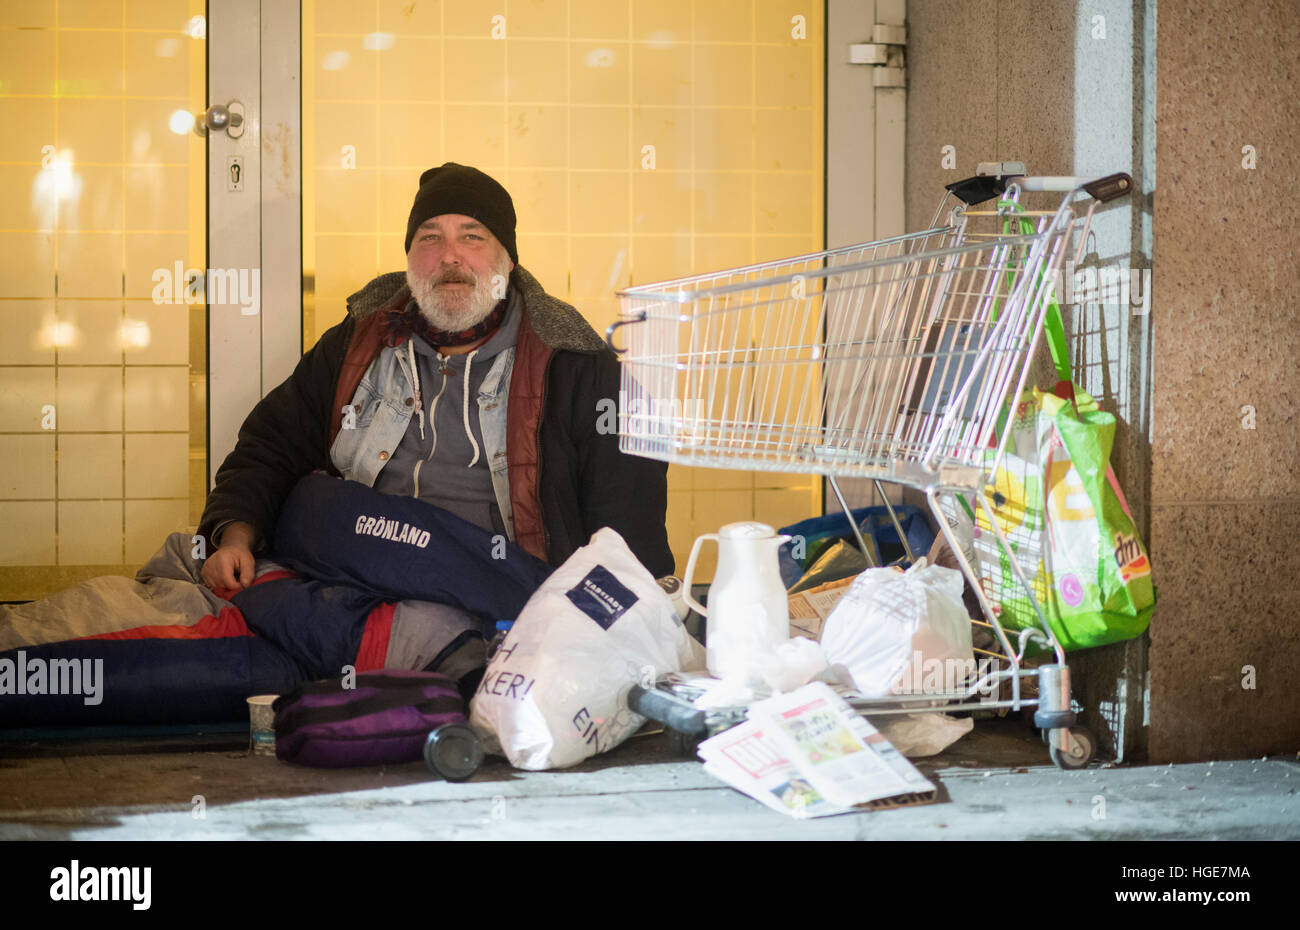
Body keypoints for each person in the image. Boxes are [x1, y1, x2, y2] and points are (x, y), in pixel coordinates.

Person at [197, 162, 672, 599]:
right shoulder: (360, 340)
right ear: (409, 257)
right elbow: (273, 442)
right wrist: (236, 536)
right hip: (355, 581)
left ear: (508, 262)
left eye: (472, 237)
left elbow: (627, 526)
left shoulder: (576, 366)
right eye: (429, 238)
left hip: (503, 600)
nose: (449, 257)